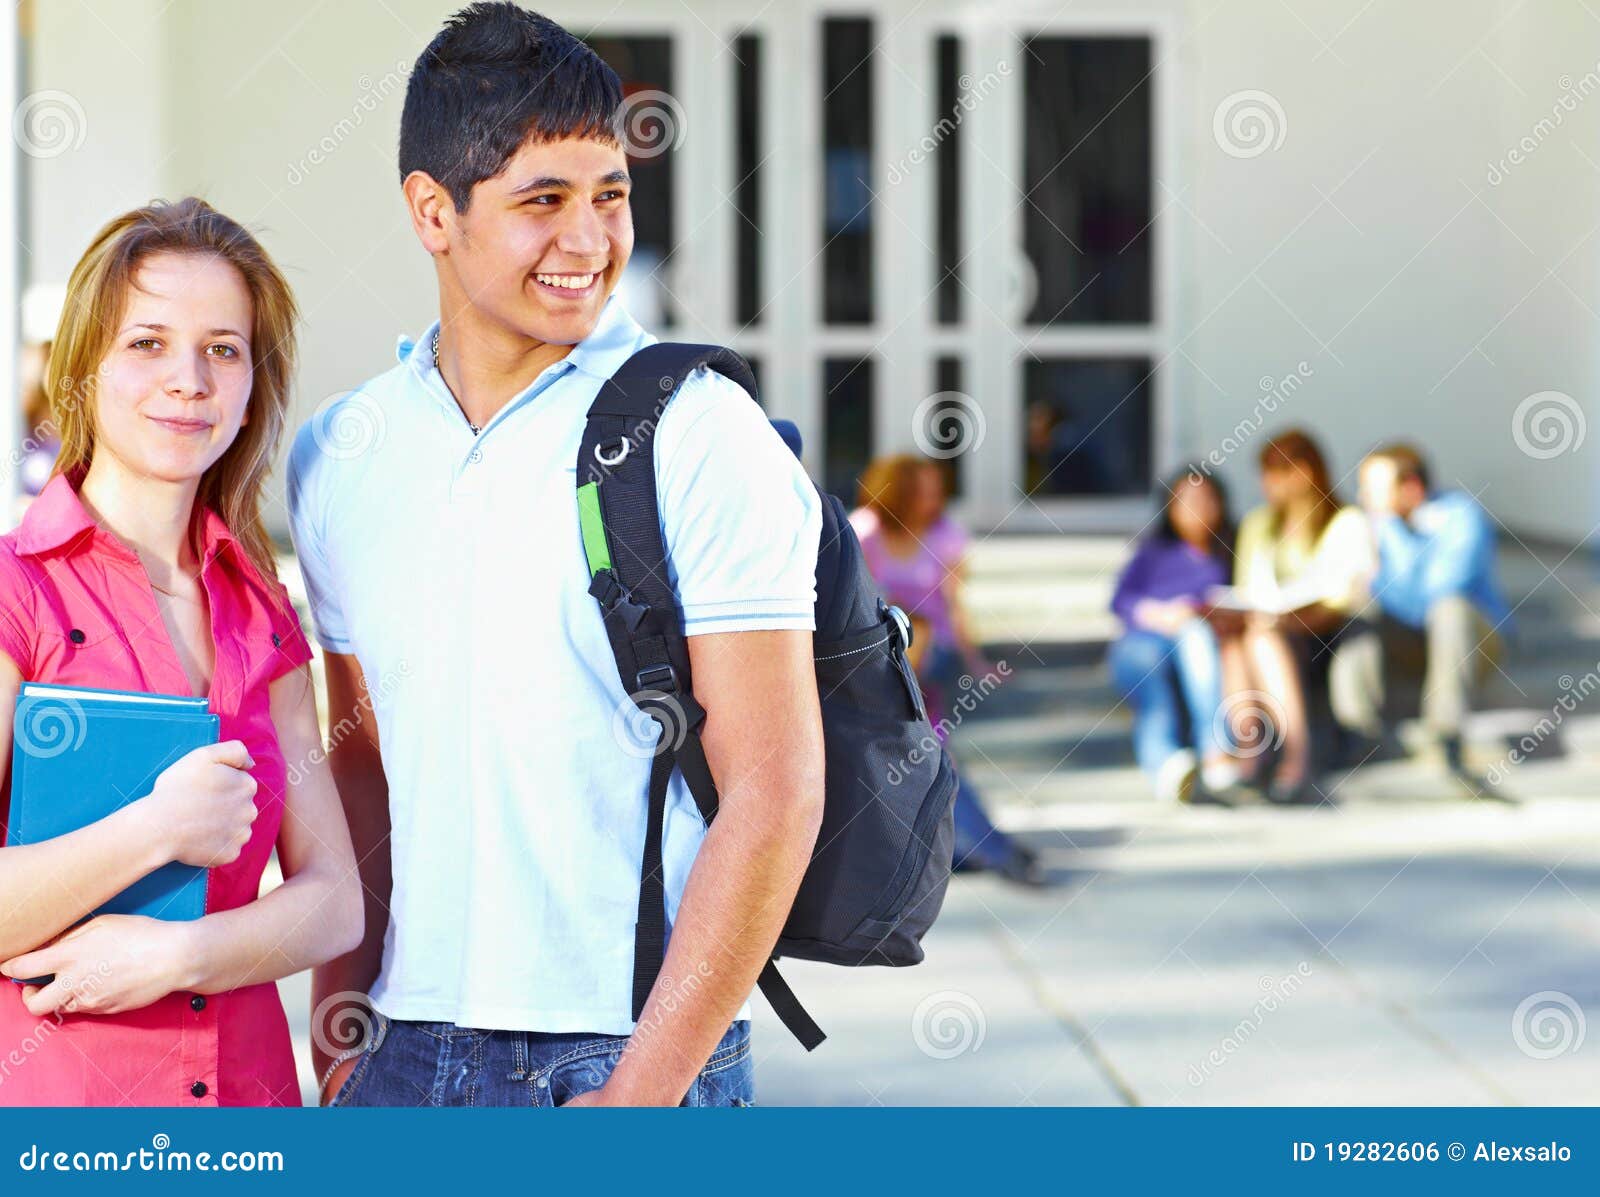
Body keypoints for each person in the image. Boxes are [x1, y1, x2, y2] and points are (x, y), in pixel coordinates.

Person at [290, 4, 824, 1108]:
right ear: (433, 211)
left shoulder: (698, 430)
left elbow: (773, 791)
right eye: (544, 201)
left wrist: (642, 1097)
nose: (589, 241)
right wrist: (337, 1033)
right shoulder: (343, 453)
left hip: (618, 1057)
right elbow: (363, 763)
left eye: (610, 195)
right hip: (397, 1047)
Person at [0, 198, 362, 1105]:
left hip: (246, 1112)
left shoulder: (262, 609)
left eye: (224, 349)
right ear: (85, 368)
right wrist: (156, 830)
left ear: (250, 391)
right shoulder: (16, 592)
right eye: (148, 343)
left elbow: (335, 899)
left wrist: (177, 954)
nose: (190, 379)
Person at [850, 455, 1045, 885]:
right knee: (929, 752)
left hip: (928, 657)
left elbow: (955, 607)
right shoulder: (865, 532)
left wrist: (975, 662)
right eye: (922, 489)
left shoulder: (945, 535)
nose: (933, 498)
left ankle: (982, 848)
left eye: (938, 489)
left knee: (929, 751)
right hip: (877, 657)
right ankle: (973, 848)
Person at [1211, 430, 1375, 804]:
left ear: (1303, 473)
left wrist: (1286, 619)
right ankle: (1251, 752)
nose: (1266, 485)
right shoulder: (1259, 524)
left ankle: (1296, 757)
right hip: (1270, 630)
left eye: (1274, 474)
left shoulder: (1345, 522)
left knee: (1261, 634)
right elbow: (1248, 589)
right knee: (1240, 636)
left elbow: (1344, 598)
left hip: (1326, 636)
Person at [1331, 443, 1509, 782]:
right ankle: (1358, 730)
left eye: (1373, 489)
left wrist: (1379, 565)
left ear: (1411, 488)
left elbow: (1435, 594)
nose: (1363, 497)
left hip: (1474, 645)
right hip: (1413, 645)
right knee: (1357, 604)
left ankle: (1446, 732)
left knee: (1450, 609)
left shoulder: (1461, 516)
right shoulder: (1373, 525)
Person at [1107, 468, 1237, 804]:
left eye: (1205, 500)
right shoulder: (1153, 552)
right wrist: (1158, 614)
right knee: (1154, 699)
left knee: (1194, 634)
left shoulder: (1229, 553)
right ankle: (1167, 765)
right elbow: (1120, 600)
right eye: (1186, 501)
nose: (1197, 508)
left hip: (1198, 641)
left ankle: (1214, 749)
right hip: (1144, 640)